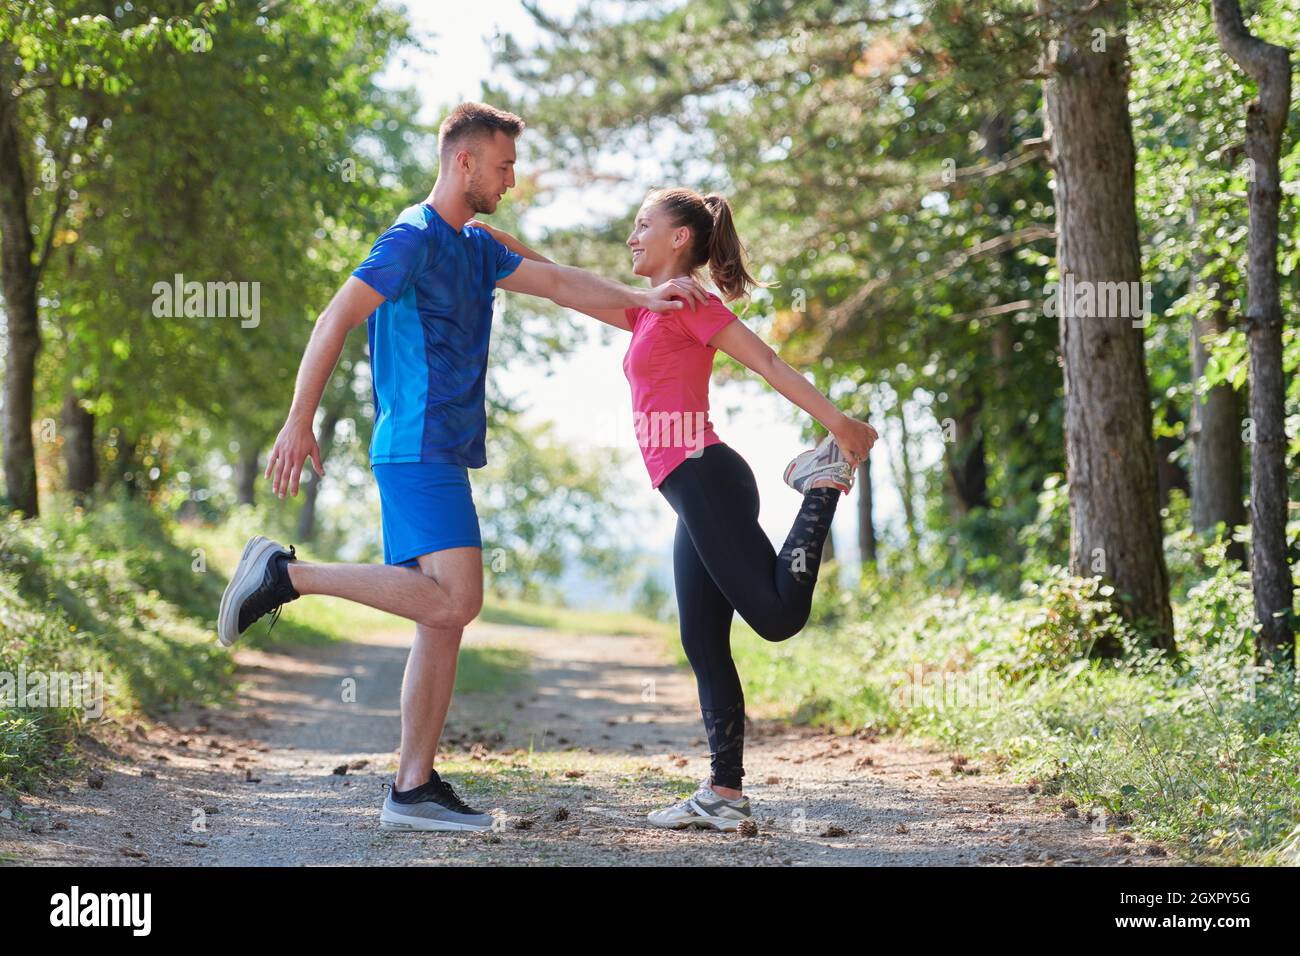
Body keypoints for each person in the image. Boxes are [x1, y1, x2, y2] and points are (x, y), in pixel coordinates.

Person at [216, 103, 709, 833]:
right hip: (415, 448)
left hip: (438, 450)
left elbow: (562, 284)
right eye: (505, 166)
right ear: (465, 162)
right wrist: (299, 419)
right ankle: (286, 576)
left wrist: (645, 303)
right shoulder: (411, 236)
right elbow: (336, 316)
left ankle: (411, 790)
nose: (512, 179)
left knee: (438, 621)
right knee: (457, 600)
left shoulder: (477, 248)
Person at [474, 186, 878, 831]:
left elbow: (767, 360)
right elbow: (558, 285)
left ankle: (822, 480)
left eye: (643, 225)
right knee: (702, 640)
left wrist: (838, 423)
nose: (632, 237)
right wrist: (488, 241)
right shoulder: (647, 309)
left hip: (706, 475)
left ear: (679, 239)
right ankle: (724, 792)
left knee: (775, 618)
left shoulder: (693, 303)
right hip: (691, 490)